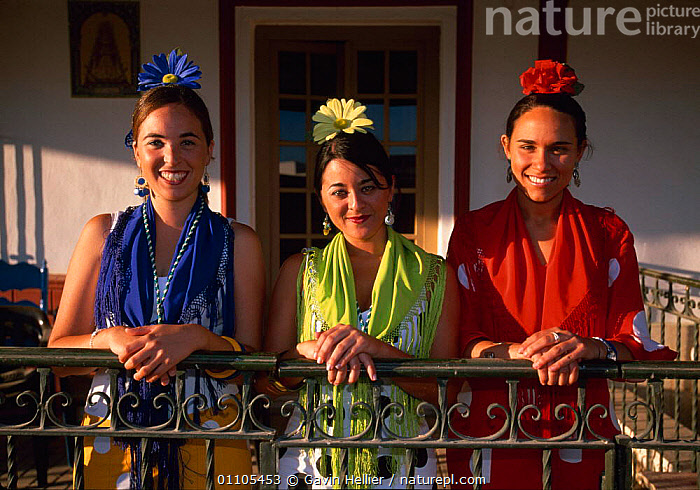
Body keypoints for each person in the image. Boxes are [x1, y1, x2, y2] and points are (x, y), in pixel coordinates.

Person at [444, 60, 676, 489]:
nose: (542, 163)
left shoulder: (608, 233)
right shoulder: (474, 232)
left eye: (559, 148)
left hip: (583, 420)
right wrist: (514, 353)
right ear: (505, 147)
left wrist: (589, 346)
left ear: (581, 150)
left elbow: (632, 341)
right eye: (527, 146)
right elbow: (461, 339)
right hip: (492, 424)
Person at [48, 49, 265, 489]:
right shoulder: (101, 234)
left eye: (188, 141)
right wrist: (107, 339)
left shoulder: (239, 242)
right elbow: (59, 356)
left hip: (213, 439)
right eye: (156, 142)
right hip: (114, 436)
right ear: (135, 153)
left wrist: (199, 339)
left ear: (210, 150)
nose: (172, 157)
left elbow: (254, 364)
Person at [263, 98, 459, 489]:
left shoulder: (435, 276)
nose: (355, 204)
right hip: (309, 465)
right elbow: (264, 391)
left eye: (368, 187)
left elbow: (447, 394)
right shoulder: (300, 272)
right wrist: (298, 356)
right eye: (339, 191)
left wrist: (382, 352)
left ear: (390, 190)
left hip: (402, 467)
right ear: (321, 198)